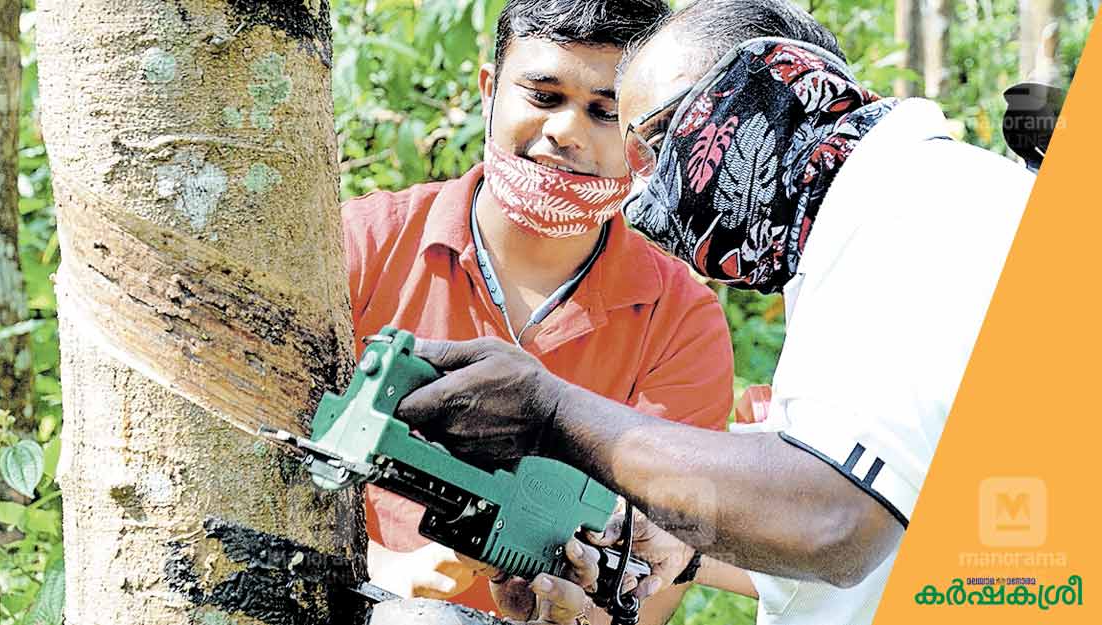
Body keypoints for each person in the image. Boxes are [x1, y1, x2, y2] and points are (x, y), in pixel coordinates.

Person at [393, 1, 1036, 624]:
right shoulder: (881, 223)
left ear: (771, 84)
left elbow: (833, 522)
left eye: (658, 141)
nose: (646, 206)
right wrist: (672, 536)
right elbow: (900, 513)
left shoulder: (918, 211)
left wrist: (550, 413)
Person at [341, 0, 736, 620]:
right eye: (545, 96)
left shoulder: (680, 323)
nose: (567, 132)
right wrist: (382, 570)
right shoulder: (361, 245)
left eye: (605, 112)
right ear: (489, 90)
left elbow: (650, 587)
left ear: (648, 139)